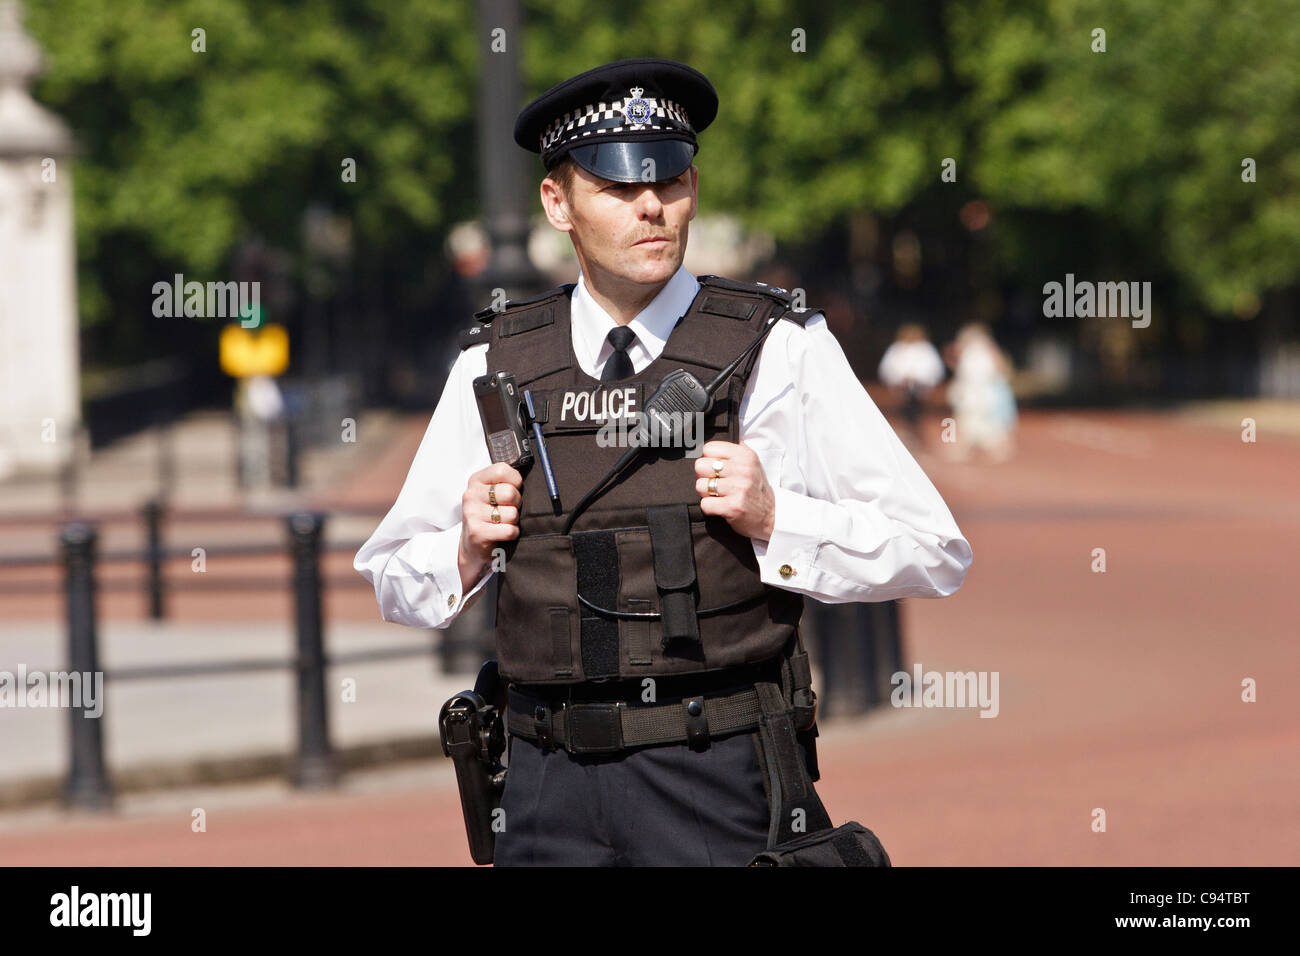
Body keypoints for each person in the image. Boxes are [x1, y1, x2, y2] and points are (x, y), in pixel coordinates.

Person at [354, 58, 973, 866]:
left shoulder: (775, 348)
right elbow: (393, 577)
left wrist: (780, 519)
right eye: (617, 187)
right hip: (545, 786)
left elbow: (935, 549)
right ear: (556, 202)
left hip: (714, 773)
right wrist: (465, 548)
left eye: (671, 180)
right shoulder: (493, 363)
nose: (652, 206)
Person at [944, 322, 1017, 462]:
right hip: (970, 391)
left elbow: (999, 369)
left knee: (981, 421)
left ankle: (997, 448)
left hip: (982, 392)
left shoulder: (985, 351)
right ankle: (966, 449)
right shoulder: (973, 352)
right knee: (967, 420)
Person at [877, 323, 946, 449]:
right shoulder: (897, 349)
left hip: (919, 389)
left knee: (917, 413)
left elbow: (933, 368)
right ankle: (908, 435)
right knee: (905, 413)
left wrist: (921, 378)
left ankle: (916, 436)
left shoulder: (925, 349)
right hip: (902, 388)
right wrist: (898, 378)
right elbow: (888, 367)